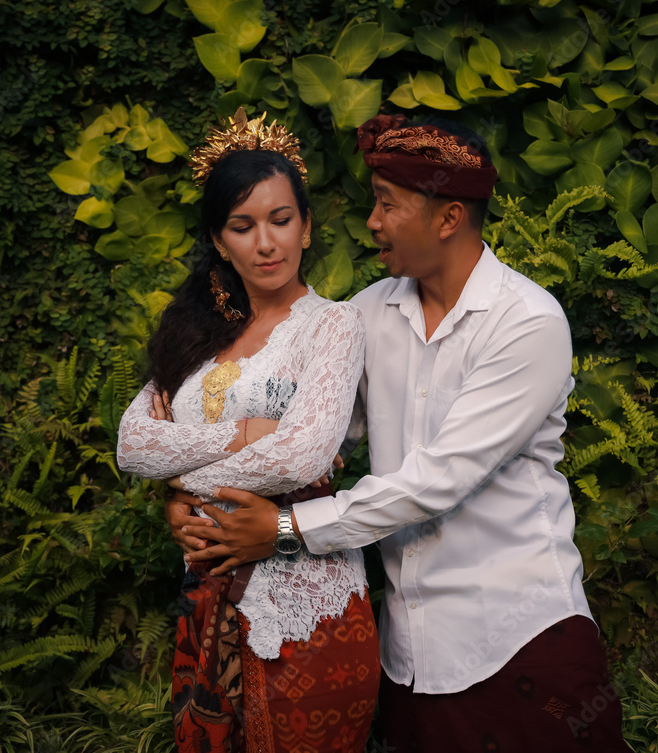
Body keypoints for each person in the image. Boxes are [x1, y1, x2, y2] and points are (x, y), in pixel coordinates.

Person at [168, 114, 629, 751]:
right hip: (408, 655)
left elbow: (436, 483)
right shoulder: (366, 314)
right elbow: (308, 443)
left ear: (448, 218)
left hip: (520, 637)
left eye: (387, 204)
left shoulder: (525, 323)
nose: (372, 222)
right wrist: (196, 497)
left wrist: (280, 530)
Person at [116, 108, 379, 753]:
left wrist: (180, 479)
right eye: (243, 226)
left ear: (307, 227)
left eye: (281, 220)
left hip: (307, 603)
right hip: (206, 596)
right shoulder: (194, 336)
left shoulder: (333, 328)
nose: (266, 243)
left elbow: (302, 454)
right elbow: (131, 443)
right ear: (219, 239)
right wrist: (236, 437)